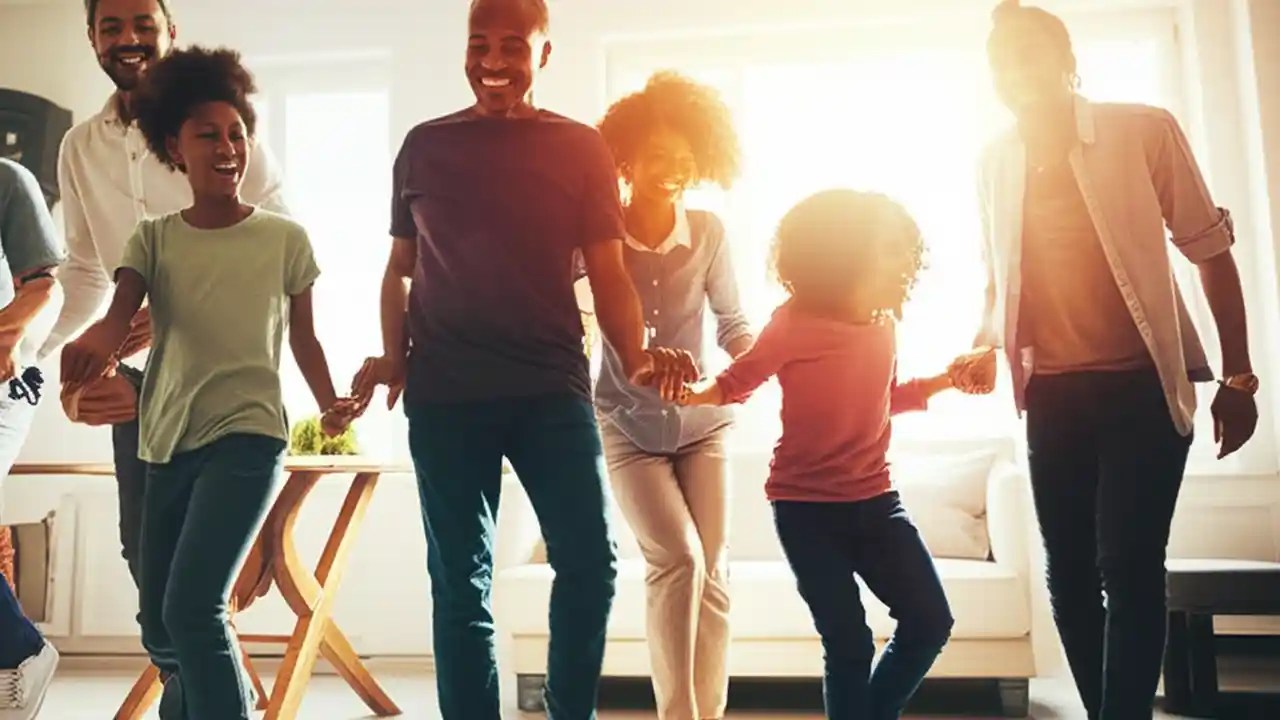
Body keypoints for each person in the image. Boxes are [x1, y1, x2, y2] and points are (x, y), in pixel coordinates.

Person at [348, 1, 696, 717]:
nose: (493, 60)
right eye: (479, 44)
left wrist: (634, 357)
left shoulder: (580, 149)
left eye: (513, 44)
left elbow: (609, 271)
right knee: (461, 580)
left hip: (549, 389)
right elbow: (399, 268)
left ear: (544, 55)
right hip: (445, 394)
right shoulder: (424, 145)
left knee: (592, 565)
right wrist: (393, 354)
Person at [972, 2, 1259, 718]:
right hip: (1053, 397)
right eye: (1002, 60)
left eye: (1031, 55)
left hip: (1141, 390)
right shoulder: (995, 160)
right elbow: (1000, 275)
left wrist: (1240, 375)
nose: (1017, 72)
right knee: (1067, 575)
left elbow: (1209, 251)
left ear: (1068, 62)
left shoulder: (1143, 130)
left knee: (1128, 569)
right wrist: (981, 344)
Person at [59, 46, 356, 720]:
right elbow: (114, 320)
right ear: (175, 147)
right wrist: (83, 354)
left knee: (193, 605)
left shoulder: (285, 240)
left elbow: (305, 338)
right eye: (208, 135)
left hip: (247, 437)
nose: (227, 147)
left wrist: (329, 403)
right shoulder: (153, 239)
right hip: (165, 441)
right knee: (160, 622)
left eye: (237, 134)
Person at [679, 189, 989, 720]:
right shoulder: (793, 322)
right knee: (847, 643)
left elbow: (885, 397)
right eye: (890, 250)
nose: (905, 264)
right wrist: (688, 393)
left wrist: (948, 380)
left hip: (876, 503)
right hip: (805, 512)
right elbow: (737, 382)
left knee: (930, 622)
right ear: (843, 255)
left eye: (906, 252)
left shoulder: (883, 323)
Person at [44, 0, 288, 595]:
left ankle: (210, 690)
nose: (128, 38)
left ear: (170, 32)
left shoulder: (223, 128)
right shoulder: (80, 148)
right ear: (92, 38)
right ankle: (200, 690)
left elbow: (280, 250)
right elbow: (84, 271)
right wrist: (28, 351)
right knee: (146, 556)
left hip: (225, 381)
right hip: (138, 388)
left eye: (143, 25)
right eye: (112, 27)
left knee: (217, 575)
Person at [593, 71, 752, 720]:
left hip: (704, 423)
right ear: (626, 160)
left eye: (685, 159)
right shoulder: (597, 238)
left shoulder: (709, 233)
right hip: (627, 428)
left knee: (713, 573)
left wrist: (769, 364)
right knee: (678, 561)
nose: (673, 169)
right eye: (658, 156)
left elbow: (735, 324)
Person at [0, 158, 67, 719]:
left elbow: (43, 285)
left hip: (5, 380)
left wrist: (4, 334)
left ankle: (23, 651)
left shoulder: (7, 181)